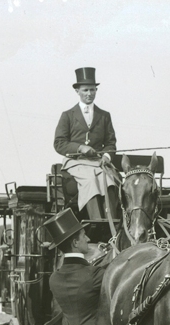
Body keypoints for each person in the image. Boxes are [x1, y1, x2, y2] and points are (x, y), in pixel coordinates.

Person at [53, 67, 120, 221]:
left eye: (92, 90)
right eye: (85, 90)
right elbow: (59, 143)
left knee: (109, 182)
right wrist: (80, 148)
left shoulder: (104, 115)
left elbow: (111, 142)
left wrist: (107, 157)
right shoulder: (67, 116)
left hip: (98, 163)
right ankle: (96, 223)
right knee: (90, 182)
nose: (89, 94)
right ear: (77, 91)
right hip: (76, 162)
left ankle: (113, 224)